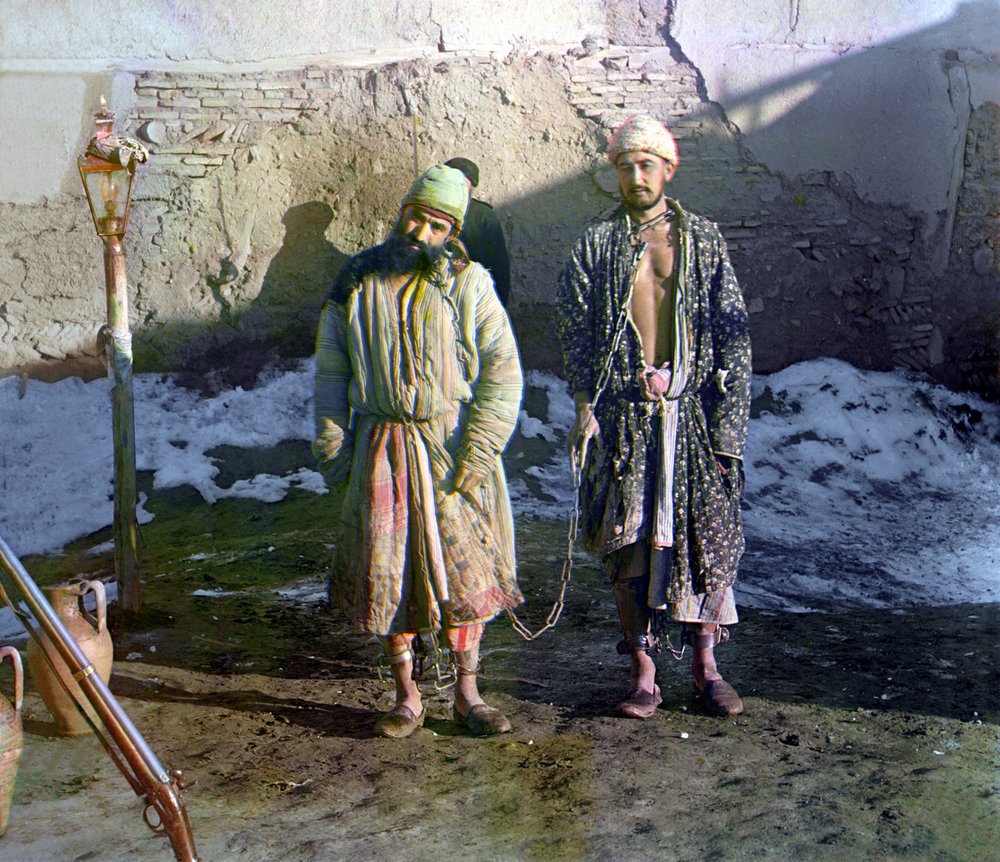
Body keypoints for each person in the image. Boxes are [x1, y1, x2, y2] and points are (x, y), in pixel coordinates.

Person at [314, 164, 524, 738]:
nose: (421, 232)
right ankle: (406, 694)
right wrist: (336, 449)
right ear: (399, 212)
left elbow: (503, 372)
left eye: (437, 225)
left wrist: (478, 453)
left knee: (465, 576)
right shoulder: (356, 282)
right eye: (415, 216)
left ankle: (467, 692)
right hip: (381, 447)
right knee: (391, 570)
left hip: (450, 447)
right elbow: (332, 373)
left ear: (452, 230)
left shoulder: (468, 283)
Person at [556, 114, 751, 719]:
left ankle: (706, 666)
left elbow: (735, 338)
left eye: (647, 165)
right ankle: (643, 672)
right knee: (629, 545)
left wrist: (728, 433)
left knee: (706, 538)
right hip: (626, 422)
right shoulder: (595, 245)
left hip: (691, 418)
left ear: (669, 168)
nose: (636, 177)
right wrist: (589, 408)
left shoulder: (704, 240)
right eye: (624, 166)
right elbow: (578, 338)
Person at [444, 157, 512, 305]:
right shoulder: (431, 213)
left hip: (475, 299)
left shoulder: (483, 216)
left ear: (471, 186)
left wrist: (498, 307)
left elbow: (499, 268)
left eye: (461, 183)